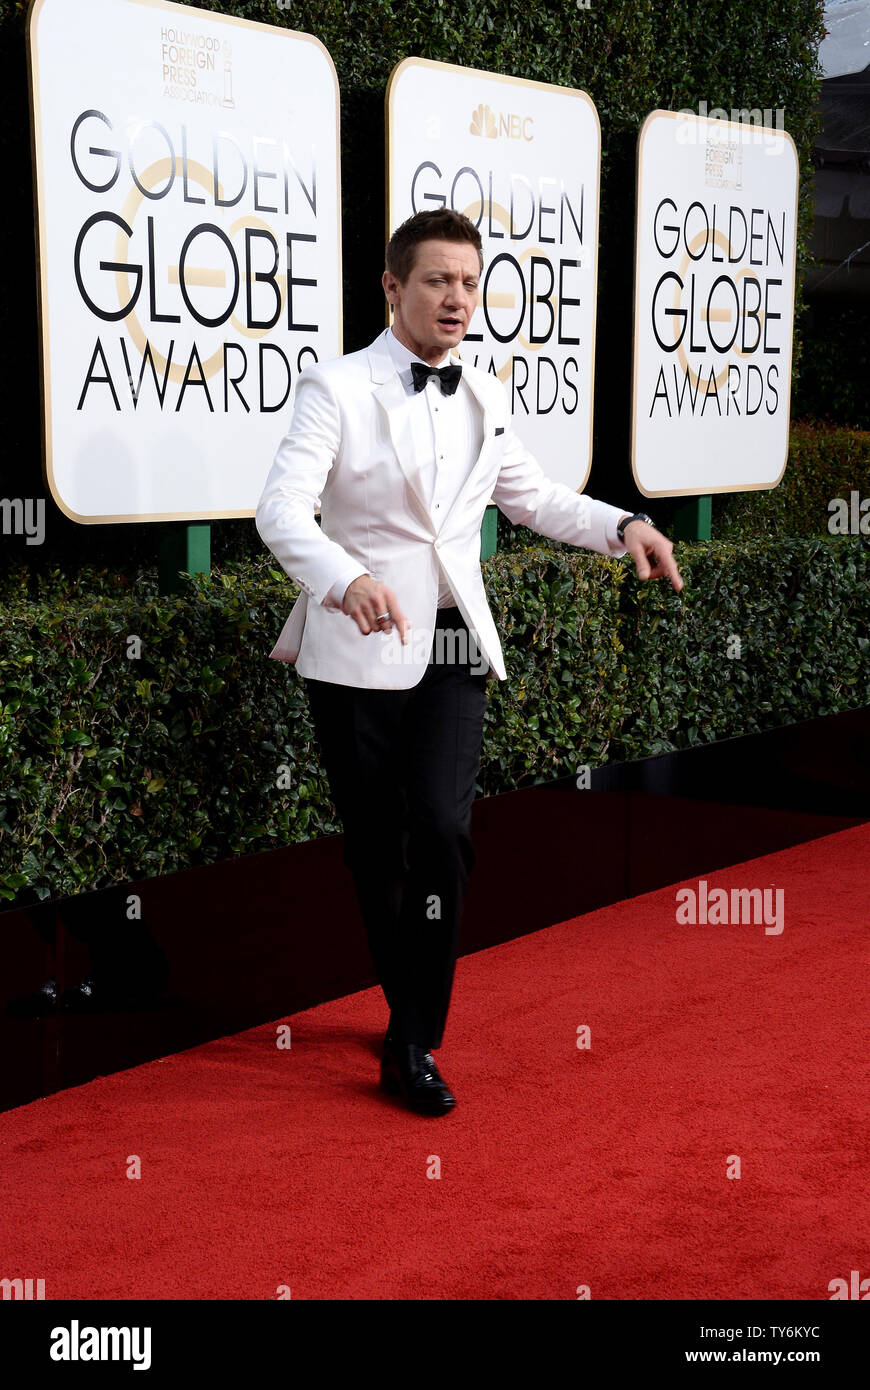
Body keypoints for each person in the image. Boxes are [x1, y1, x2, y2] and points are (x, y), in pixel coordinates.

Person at [256, 207, 683, 1117]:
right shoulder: (336, 387)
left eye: (469, 281)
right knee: (376, 847)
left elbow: (535, 500)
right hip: (358, 648)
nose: (458, 298)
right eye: (439, 280)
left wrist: (624, 525)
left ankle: (413, 1038)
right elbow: (281, 512)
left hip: (452, 645)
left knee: (444, 831)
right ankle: (405, 1014)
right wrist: (345, 579)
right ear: (392, 287)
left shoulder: (485, 392)